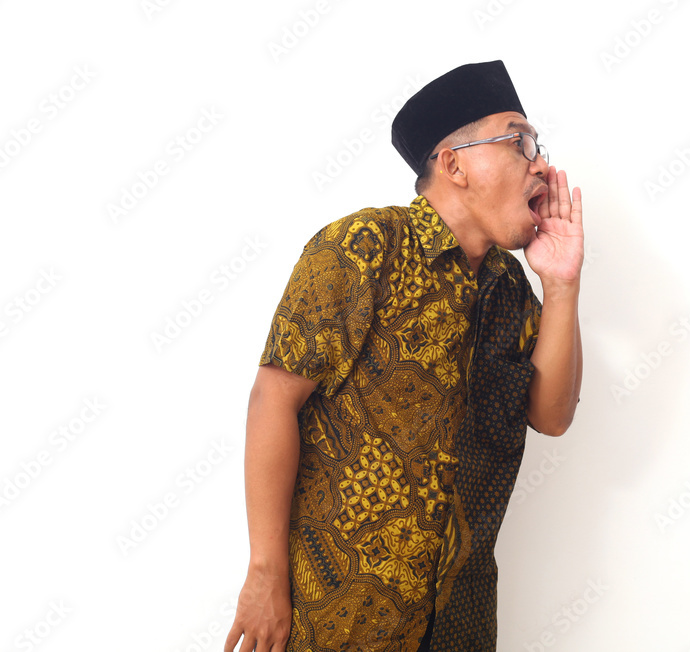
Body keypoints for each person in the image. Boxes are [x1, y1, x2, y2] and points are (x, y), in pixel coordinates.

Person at [224, 60, 583, 652]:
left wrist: (562, 285)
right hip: (338, 619)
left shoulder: (508, 288)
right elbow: (272, 399)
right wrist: (265, 572)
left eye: (536, 144)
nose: (540, 162)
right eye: (519, 140)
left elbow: (551, 414)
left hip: (459, 623)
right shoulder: (364, 247)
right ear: (454, 164)